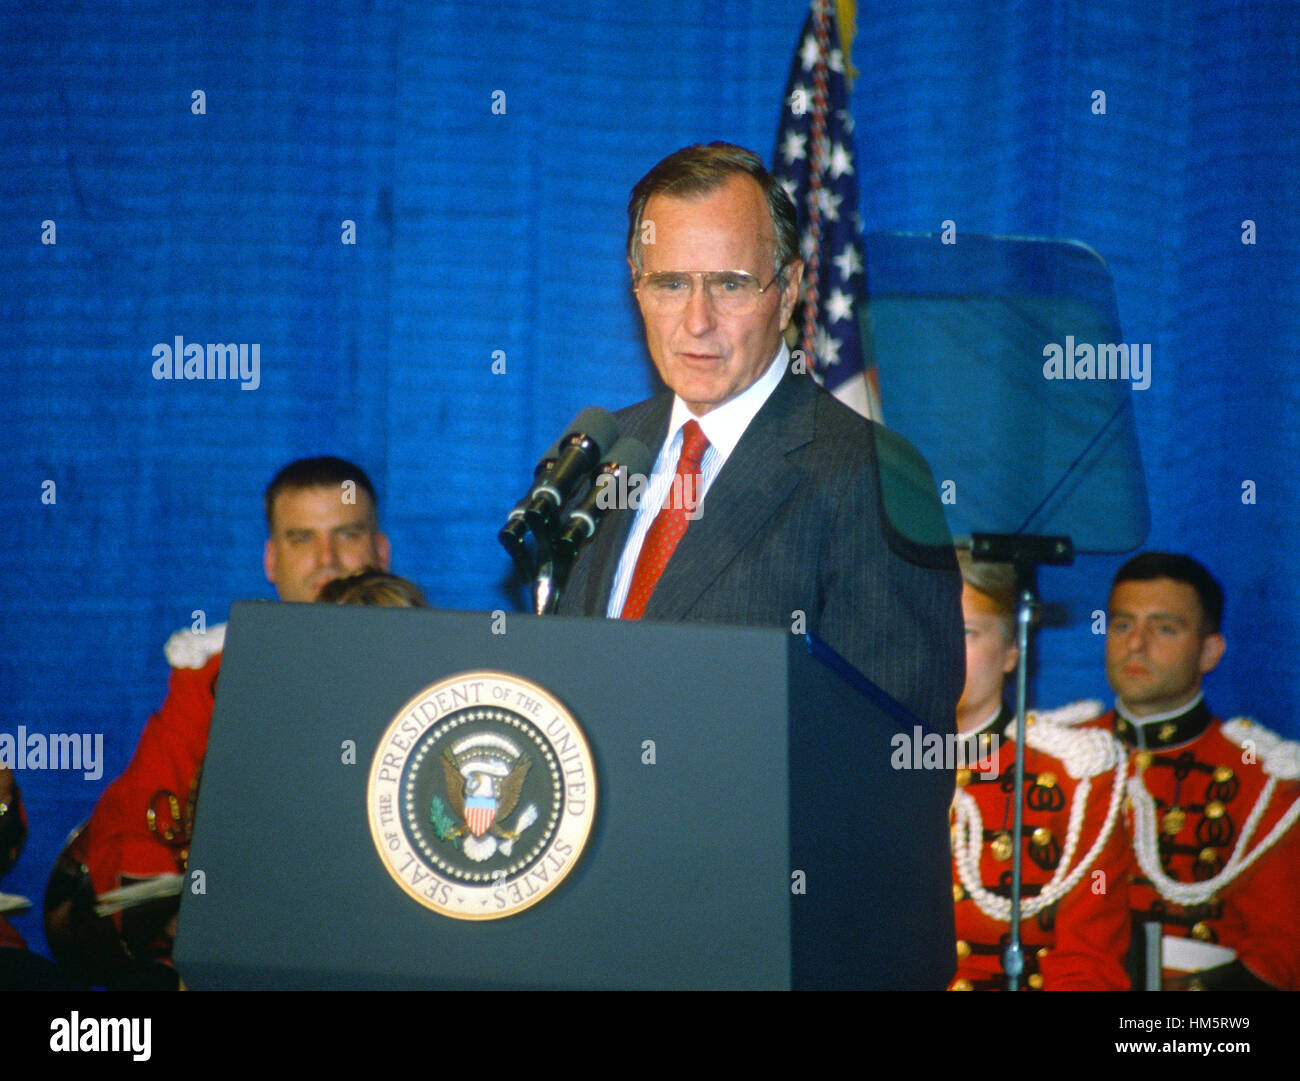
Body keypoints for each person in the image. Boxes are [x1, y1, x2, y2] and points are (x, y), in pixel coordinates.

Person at [555, 143, 962, 735]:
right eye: (670, 284)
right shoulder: (600, 452)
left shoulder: (874, 474)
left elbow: (893, 754)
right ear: (636, 287)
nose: (697, 321)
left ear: (789, 290)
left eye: (730, 285)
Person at [45, 456, 392, 987]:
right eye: (302, 538)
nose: (328, 559)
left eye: (347, 534)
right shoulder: (208, 675)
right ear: (271, 560)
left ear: (380, 551)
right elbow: (146, 820)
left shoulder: (433, 674)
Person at [1097, 551, 1300, 990]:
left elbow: (1284, 951)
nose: (1136, 644)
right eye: (1122, 624)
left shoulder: (1265, 778)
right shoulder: (1054, 757)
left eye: (1164, 628)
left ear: (1210, 652)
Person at [948, 553, 1132, 990]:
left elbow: (1088, 967)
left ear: (1013, 650)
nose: (944, 651)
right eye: (929, 630)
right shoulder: (869, 764)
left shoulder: (1078, 778)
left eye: (967, 634)